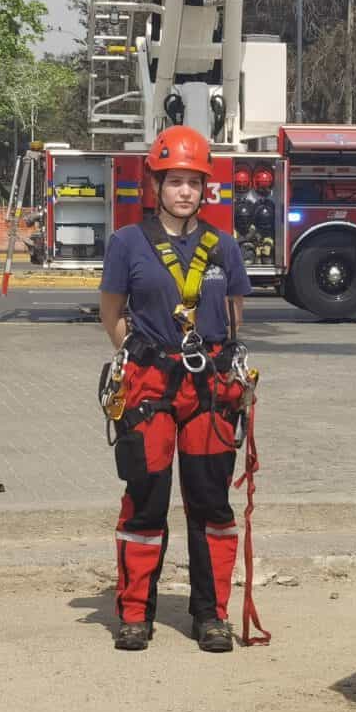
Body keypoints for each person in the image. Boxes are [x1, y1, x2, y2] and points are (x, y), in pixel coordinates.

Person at [97, 125, 253, 654]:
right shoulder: (127, 243)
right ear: (156, 184)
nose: (185, 191)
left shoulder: (223, 248)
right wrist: (140, 355)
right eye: (175, 182)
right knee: (146, 498)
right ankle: (135, 612)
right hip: (150, 386)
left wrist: (224, 367)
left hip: (209, 386)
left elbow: (234, 320)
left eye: (193, 182)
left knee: (210, 501)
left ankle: (211, 613)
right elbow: (111, 313)